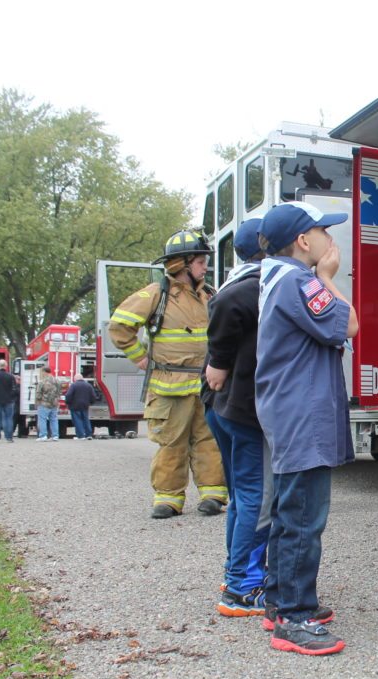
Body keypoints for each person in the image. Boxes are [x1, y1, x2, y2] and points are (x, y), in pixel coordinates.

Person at [255, 202, 358, 656]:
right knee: (302, 516)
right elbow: (349, 324)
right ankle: (294, 618)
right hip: (302, 411)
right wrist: (330, 276)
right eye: (321, 231)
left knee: (287, 507)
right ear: (302, 241)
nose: (327, 239)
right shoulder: (301, 280)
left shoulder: (275, 276)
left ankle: (279, 601)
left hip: (287, 407)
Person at [108, 231, 226, 519]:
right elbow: (119, 327)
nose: (205, 267)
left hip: (205, 385)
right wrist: (140, 358)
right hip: (168, 388)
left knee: (209, 440)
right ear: (182, 264)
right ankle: (168, 498)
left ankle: (212, 494)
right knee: (171, 443)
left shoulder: (209, 295)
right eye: (200, 261)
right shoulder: (155, 294)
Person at [202, 218, 273, 618]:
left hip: (223, 406)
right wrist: (220, 360)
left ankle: (235, 572)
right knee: (256, 498)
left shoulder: (235, 279)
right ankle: (243, 588)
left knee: (240, 497)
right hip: (243, 409)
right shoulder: (255, 285)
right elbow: (225, 309)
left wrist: (218, 362)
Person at [34, 366, 60, 442]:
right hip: (54, 403)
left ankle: (43, 435)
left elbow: (38, 394)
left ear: (44, 372)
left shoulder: (42, 382)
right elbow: (59, 392)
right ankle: (55, 436)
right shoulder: (57, 381)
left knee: (42, 419)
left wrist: (37, 402)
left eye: (41, 372)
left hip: (44, 403)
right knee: (54, 419)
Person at [64, 373, 94, 440]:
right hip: (85, 405)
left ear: (75, 379)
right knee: (86, 419)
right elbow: (93, 396)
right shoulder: (88, 385)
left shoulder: (73, 385)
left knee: (77, 420)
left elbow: (68, 395)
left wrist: (67, 402)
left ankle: (81, 435)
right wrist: (90, 403)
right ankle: (88, 434)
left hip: (75, 406)